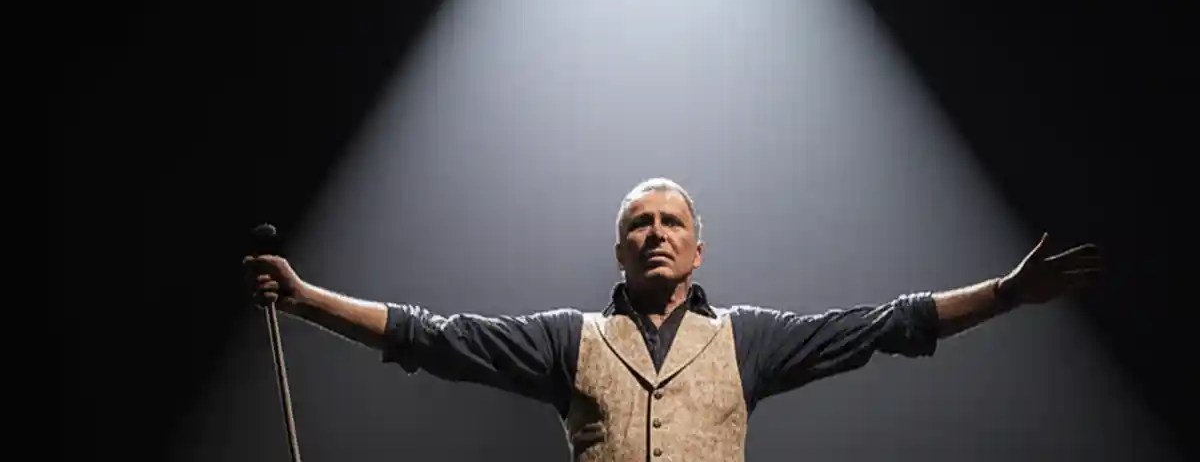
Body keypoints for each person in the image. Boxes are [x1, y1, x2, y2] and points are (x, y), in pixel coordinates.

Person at [243, 177, 1101, 460]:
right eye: (637, 226)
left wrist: (1004, 293)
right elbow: (433, 339)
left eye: (671, 224)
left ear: (698, 252)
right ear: (620, 254)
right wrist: (308, 295)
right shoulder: (567, 340)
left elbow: (885, 324)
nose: (654, 234)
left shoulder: (747, 340)